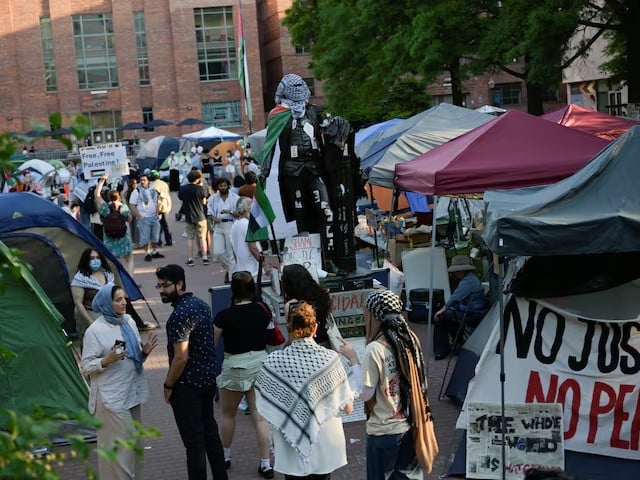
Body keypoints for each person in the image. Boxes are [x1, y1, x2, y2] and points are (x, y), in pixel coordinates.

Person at [255, 301, 354, 480]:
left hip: (289, 444)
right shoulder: (331, 359)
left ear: (289, 328)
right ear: (315, 327)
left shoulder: (273, 361)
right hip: (325, 444)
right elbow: (348, 408)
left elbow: (263, 405)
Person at [340, 289, 433, 480]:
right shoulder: (410, 339)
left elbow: (366, 394)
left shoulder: (374, 349)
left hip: (383, 430)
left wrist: (353, 360)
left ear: (374, 316)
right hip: (410, 424)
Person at [156, 264, 228, 480]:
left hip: (187, 387)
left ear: (180, 285)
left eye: (165, 285)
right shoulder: (201, 305)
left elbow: (180, 357)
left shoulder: (179, 315)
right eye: (158, 285)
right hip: (207, 381)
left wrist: (168, 385)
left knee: (194, 444)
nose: (161, 290)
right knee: (210, 433)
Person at [261, 73, 338, 273]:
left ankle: (327, 257)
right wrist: (265, 170)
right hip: (292, 172)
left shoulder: (313, 111)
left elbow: (328, 128)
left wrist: (337, 126)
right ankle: (311, 260)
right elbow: (269, 145)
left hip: (314, 168)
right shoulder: (277, 115)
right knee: (302, 217)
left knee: (325, 209)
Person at [81, 284, 158, 479]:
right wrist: (106, 360)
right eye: (118, 300)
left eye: (124, 298)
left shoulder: (128, 322)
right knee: (123, 452)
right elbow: (86, 367)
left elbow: (133, 358)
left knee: (132, 449)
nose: (124, 303)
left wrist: (144, 353)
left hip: (132, 393)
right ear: (107, 303)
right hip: (110, 398)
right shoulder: (95, 331)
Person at [213, 271, 273, 477]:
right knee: (260, 417)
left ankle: (226, 456)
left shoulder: (223, 316)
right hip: (260, 363)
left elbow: (212, 343)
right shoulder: (263, 311)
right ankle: (266, 463)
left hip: (234, 366)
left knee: (228, 414)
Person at [433, 255, 487, 360]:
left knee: (442, 317)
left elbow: (455, 298)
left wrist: (441, 310)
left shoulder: (468, 282)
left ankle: (441, 350)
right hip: (471, 312)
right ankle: (453, 344)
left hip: (473, 315)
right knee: (447, 316)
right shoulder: (470, 278)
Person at [280, 263, 332, 348]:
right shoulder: (322, 295)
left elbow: (292, 337)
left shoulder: (292, 305)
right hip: (324, 344)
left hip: (302, 348)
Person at [95, 173, 134, 276]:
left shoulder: (105, 207)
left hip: (109, 239)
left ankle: (115, 278)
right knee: (129, 259)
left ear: (108, 197)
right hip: (123, 238)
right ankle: (130, 279)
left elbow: (97, 194)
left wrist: (102, 180)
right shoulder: (123, 207)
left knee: (112, 262)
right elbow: (130, 219)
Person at [71, 248, 115, 337]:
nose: (95, 260)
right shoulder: (80, 278)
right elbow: (78, 302)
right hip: (90, 314)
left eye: (97, 258)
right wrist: (89, 320)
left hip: (107, 313)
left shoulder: (108, 275)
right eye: (92, 258)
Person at [207, 177, 239, 281]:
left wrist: (229, 212)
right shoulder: (213, 198)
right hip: (218, 226)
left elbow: (239, 213)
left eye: (224, 185)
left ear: (228, 186)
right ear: (217, 187)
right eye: (220, 186)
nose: (223, 187)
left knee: (230, 253)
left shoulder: (235, 197)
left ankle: (231, 278)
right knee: (218, 253)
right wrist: (213, 218)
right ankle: (230, 269)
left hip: (230, 225)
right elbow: (209, 212)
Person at [128, 173, 165, 262]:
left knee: (155, 236)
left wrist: (157, 213)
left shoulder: (153, 190)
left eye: (144, 180)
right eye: (141, 180)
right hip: (144, 217)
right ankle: (147, 253)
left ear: (149, 181)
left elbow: (156, 203)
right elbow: (132, 205)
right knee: (145, 237)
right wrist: (139, 216)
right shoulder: (137, 191)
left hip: (154, 217)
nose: (142, 182)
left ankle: (154, 251)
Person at [178, 169, 209, 266]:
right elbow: (204, 202)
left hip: (189, 216)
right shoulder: (200, 189)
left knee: (190, 238)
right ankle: (205, 257)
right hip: (200, 215)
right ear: (197, 179)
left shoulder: (183, 189)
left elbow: (181, 202)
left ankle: (190, 259)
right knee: (202, 237)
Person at [230, 197, 261, 281]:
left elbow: (234, 250)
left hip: (241, 269)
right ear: (246, 208)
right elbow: (253, 248)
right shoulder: (248, 225)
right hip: (252, 271)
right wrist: (263, 263)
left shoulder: (235, 225)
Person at [150, 169, 173, 247]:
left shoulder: (152, 185)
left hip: (157, 207)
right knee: (166, 224)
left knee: (157, 225)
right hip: (166, 206)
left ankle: (158, 241)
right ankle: (169, 240)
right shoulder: (164, 184)